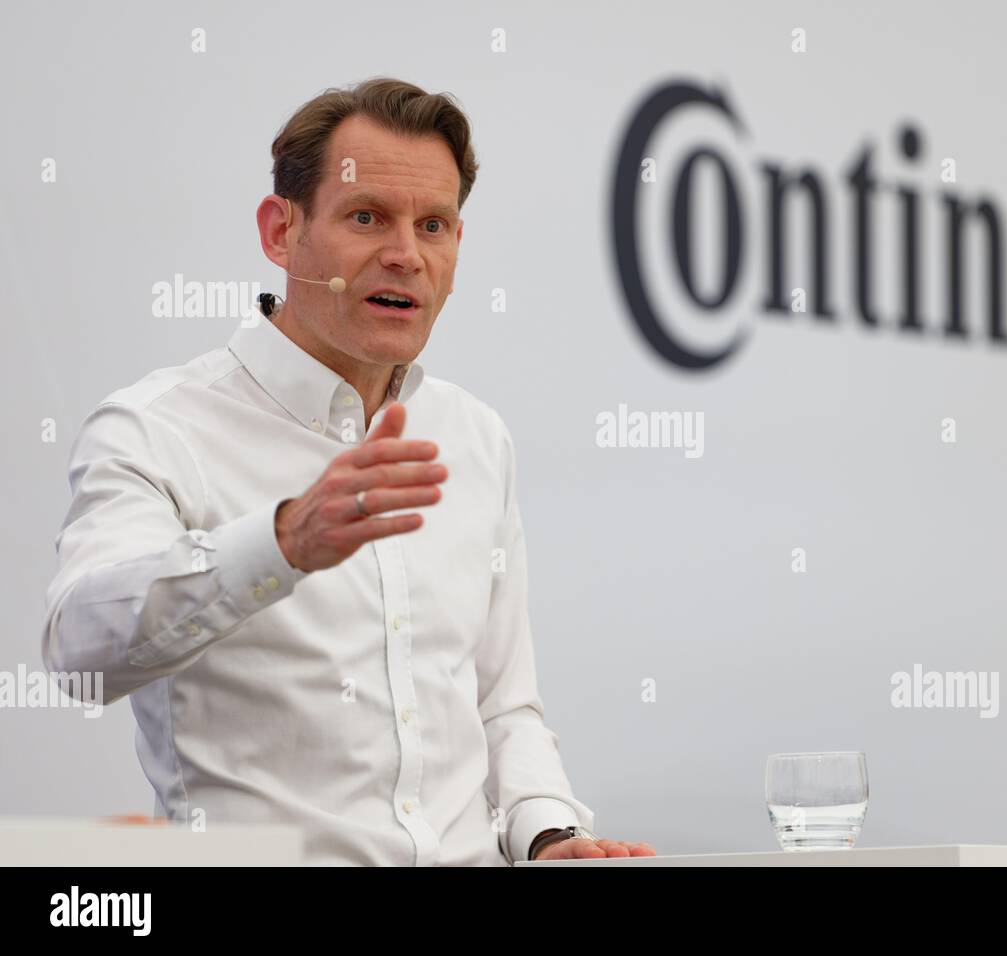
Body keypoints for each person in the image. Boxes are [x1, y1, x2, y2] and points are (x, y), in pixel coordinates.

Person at [42, 77, 654, 866]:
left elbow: (503, 704)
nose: (405, 255)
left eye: (433, 225)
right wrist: (282, 544)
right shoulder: (156, 428)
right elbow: (78, 652)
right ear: (280, 231)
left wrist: (547, 830)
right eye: (367, 217)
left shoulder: (475, 435)